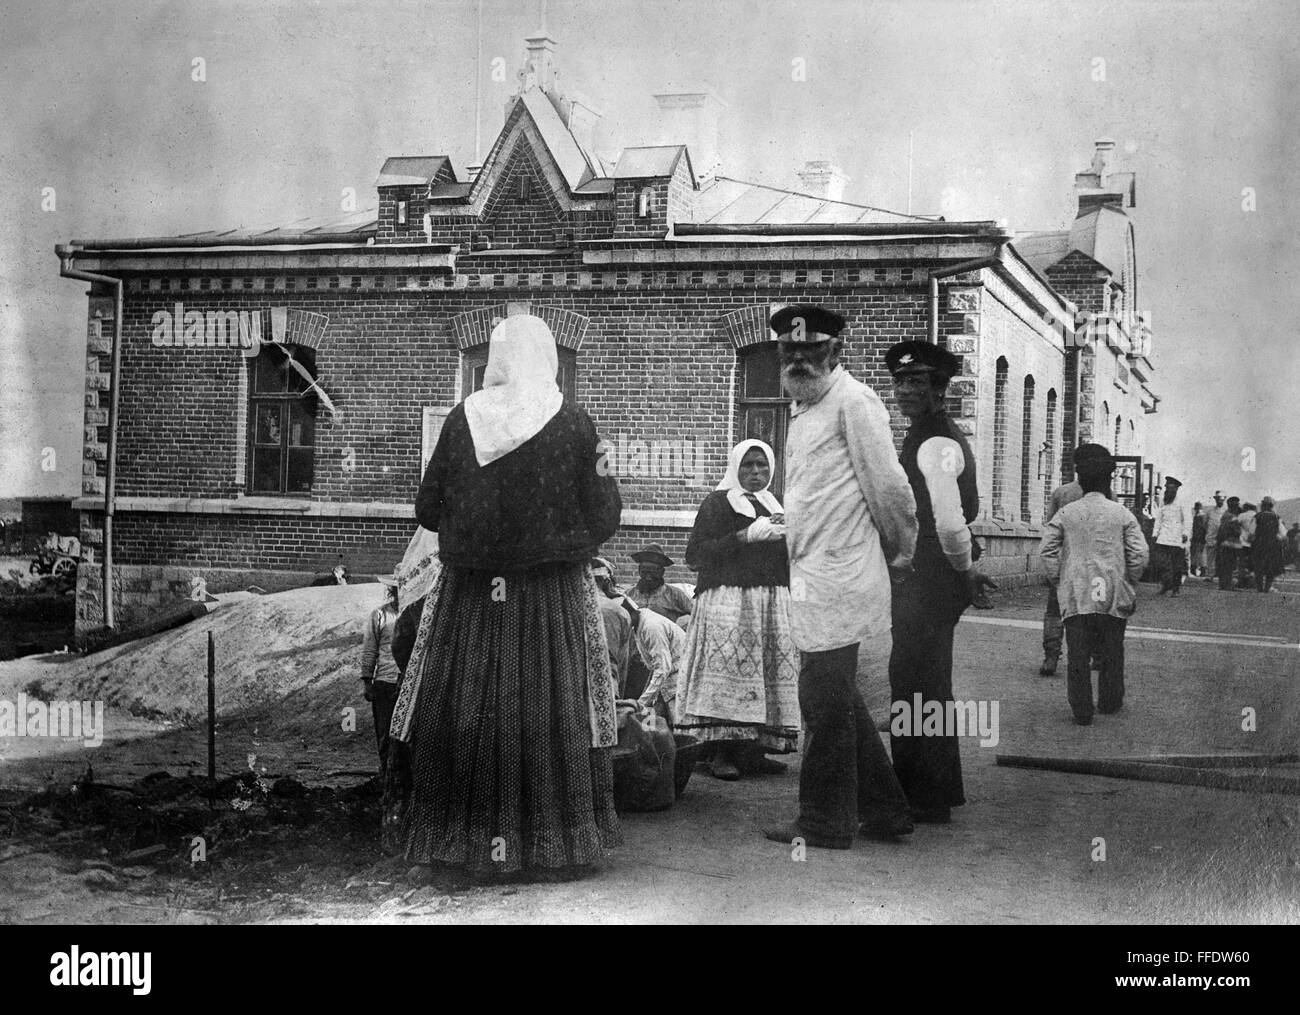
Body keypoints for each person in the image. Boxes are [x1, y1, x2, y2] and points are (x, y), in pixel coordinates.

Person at [400, 313, 623, 879]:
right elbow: (607, 512)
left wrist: (476, 529)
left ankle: (458, 844)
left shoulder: (461, 419)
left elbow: (427, 507)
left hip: (471, 595)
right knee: (550, 705)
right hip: (547, 595)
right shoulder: (577, 423)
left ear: (497, 359)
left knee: (467, 704)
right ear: (546, 357)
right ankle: (554, 847)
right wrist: (556, 541)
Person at [761, 304, 919, 850]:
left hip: (843, 575)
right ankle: (887, 811)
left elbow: (892, 489)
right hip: (813, 574)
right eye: (789, 351)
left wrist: (901, 554)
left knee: (822, 701)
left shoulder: (854, 402)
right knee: (839, 697)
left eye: (811, 350)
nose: (799, 359)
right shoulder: (805, 407)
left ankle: (824, 821)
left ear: (835, 352)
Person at [885, 339, 996, 825]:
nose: (905, 390)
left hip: (930, 575)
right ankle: (927, 790)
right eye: (900, 381)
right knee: (920, 680)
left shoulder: (936, 442)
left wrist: (966, 571)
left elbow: (950, 522)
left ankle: (926, 794)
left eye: (917, 382)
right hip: (929, 575)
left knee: (918, 681)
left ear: (939, 389)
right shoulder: (925, 434)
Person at [677, 438, 800, 781]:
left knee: (763, 674)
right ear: (736, 467)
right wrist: (744, 536)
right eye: (748, 465)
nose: (756, 472)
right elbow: (695, 555)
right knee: (729, 673)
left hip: (769, 603)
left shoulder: (776, 505)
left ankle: (753, 751)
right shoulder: (718, 503)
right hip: (729, 602)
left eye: (762, 466)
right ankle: (720, 753)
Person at [1039, 444, 1149, 725]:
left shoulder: (1066, 513)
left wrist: (1059, 580)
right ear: (1109, 480)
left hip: (1077, 591)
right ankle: (1110, 701)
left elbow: (1048, 551)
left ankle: (1082, 709)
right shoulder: (1123, 514)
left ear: (1082, 480)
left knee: (1078, 651)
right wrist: (1129, 582)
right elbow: (1139, 554)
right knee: (1113, 648)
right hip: (1112, 591)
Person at [1039, 468, 1114, 676]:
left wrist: (1053, 570)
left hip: (1066, 561)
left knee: (1055, 611)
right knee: (1096, 608)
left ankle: (1051, 657)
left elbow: (1050, 527)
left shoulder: (1061, 492)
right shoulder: (1108, 494)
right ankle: (1096, 655)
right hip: (1095, 563)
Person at [361, 576, 403, 783]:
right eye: (397, 589)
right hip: (385, 682)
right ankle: (386, 775)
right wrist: (367, 680)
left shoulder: (418, 614)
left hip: (408, 682)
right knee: (385, 731)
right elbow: (370, 649)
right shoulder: (379, 615)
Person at [591, 558, 632, 695]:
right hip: (609, 688)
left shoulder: (574, 608)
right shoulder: (618, 611)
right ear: (605, 581)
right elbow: (621, 661)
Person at [626, 544, 694, 625]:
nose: (648, 577)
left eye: (653, 572)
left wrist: (682, 623)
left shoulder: (675, 595)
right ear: (639, 570)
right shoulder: (629, 595)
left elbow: (695, 615)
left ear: (662, 572)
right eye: (644, 571)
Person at [1152, 476, 1190, 595]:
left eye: (1170, 487)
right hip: (1163, 536)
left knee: (1176, 564)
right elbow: (1159, 518)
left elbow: (1188, 519)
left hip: (1177, 537)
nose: (1167, 489)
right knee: (1162, 563)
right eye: (1167, 487)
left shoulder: (1182, 501)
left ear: (1176, 488)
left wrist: (1186, 533)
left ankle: (1175, 589)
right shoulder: (1164, 501)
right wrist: (1155, 533)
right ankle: (1166, 584)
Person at [1252, 497, 1284, 592]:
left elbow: (1251, 531)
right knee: (1270, 566)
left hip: (1259, 544)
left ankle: (1259, 588)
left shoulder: (1257, 516)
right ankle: (1267, 587)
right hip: (1272, 545)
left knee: (1258, 566)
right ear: (1271, 506)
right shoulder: (1276, 517)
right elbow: (1282, 533)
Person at [1215, 497, 1243, 590]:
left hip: (1224, 543)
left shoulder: (1226, 515)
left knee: (1225, 565)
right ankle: (1227, 585)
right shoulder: (1231, 517)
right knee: (1229, 565)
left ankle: (1224, 585)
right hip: (1229, 543)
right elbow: (1237, 531)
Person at [1203, 491, 1227, 580]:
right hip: (1211, 537)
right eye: (1217, 499)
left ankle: (1222, 576)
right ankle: (1210, 575)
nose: (1219, 501)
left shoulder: (1226, 511)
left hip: (1223, 538)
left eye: (1221, 499)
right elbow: (1205, 524)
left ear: (1224, 499)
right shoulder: (1210, 511)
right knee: (1210, 557)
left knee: (1223, 558)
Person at [1236, 502, 1258, 589]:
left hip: (1243, 543)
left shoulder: (1242, 515)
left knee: (1242, 564)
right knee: (1253, 564)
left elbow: (1235, 526)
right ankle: (1253, 582)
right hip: (1255, 544)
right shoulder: (1258, 516)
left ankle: (1242, 582)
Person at [1189, 501, 1207, 577]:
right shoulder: (1197, 516)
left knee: (1200, 555)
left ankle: (1201, 570)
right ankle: (1196, 569)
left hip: (1200, 538)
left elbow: (1203, 528)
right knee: (1196, 555)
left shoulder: (1201, 516)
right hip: (1196, 538)